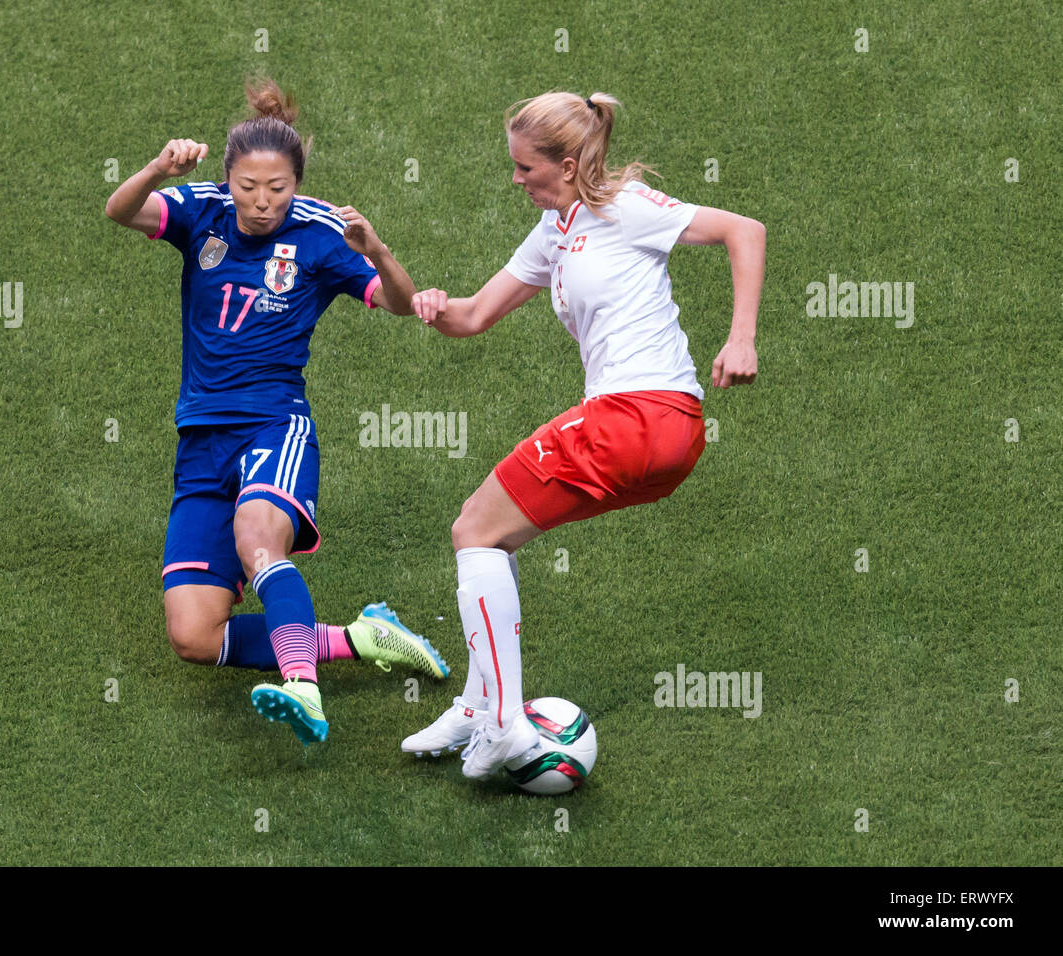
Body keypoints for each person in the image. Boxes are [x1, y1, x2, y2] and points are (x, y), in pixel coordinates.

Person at [404, 91, 764, 779]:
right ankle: (483, 705)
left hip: (639, 417)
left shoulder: (623, 207)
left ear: (567, 166)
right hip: (662, 440)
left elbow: (744, 230)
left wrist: (740, 338)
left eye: (525, 170)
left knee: (472, 529)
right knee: (492, 535)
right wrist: (432, 306)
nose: (515, 181)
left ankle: (504, 721)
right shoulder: (553, 232)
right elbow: (474, 316)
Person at [105, 78, 449, 746]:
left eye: (278, 189)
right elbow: (120, 211)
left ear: (298, 182)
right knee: (194, 635)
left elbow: (403, 304)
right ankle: (363, 636)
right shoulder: (200, 210)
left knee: (257, 541)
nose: (262, 202)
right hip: (200, 442)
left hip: (273, 425)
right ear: (228, 178)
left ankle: (304, 690)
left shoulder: (322, 234)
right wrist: (157, 168)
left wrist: (375, 249)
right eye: (248, 187)